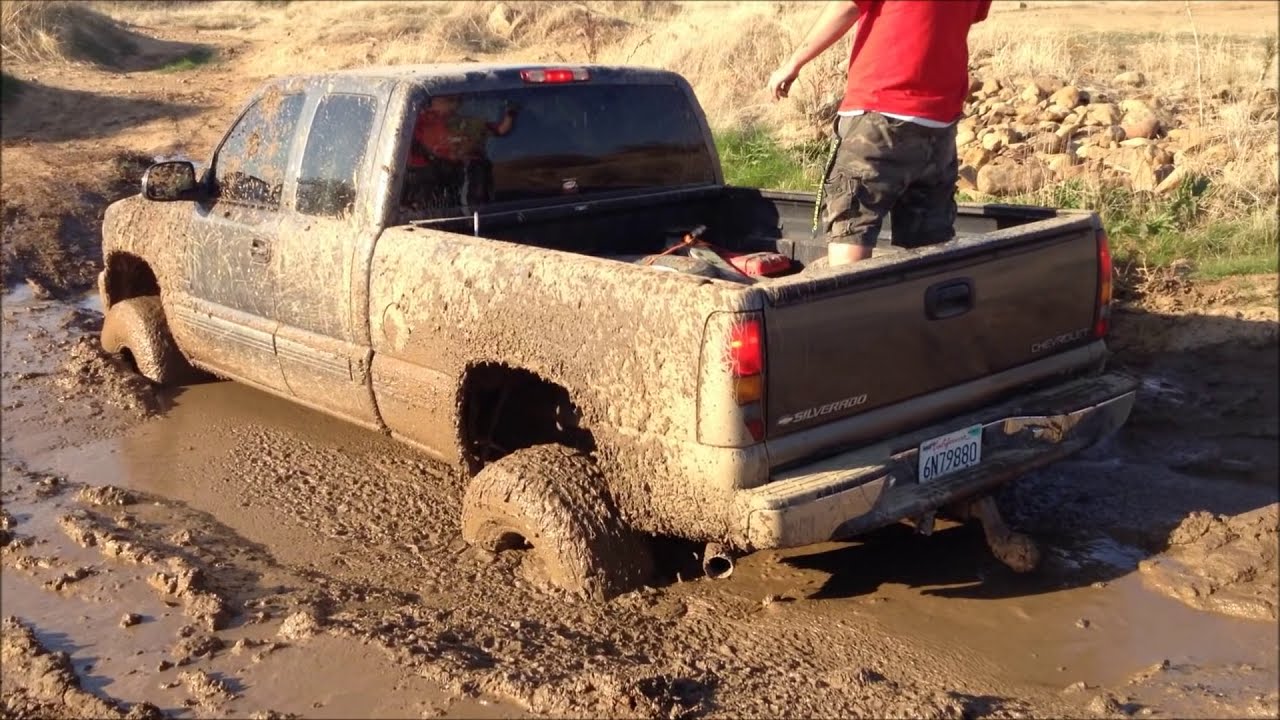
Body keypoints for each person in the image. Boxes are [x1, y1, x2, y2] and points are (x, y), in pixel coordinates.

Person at [767, 0, 991, 267]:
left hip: (881, 111)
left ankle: (850, 307)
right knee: (931, 251)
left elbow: (847, 6)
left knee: (851, 234)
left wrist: (794, 62)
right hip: (939, 125)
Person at [404, 94, 517, 210]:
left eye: (456, 101)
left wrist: (510, 113)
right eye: (449, 100)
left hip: (458, 178)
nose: (454, 105)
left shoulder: (469, 123)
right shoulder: (416, 119)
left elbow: (500, 130)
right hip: (427, 179)